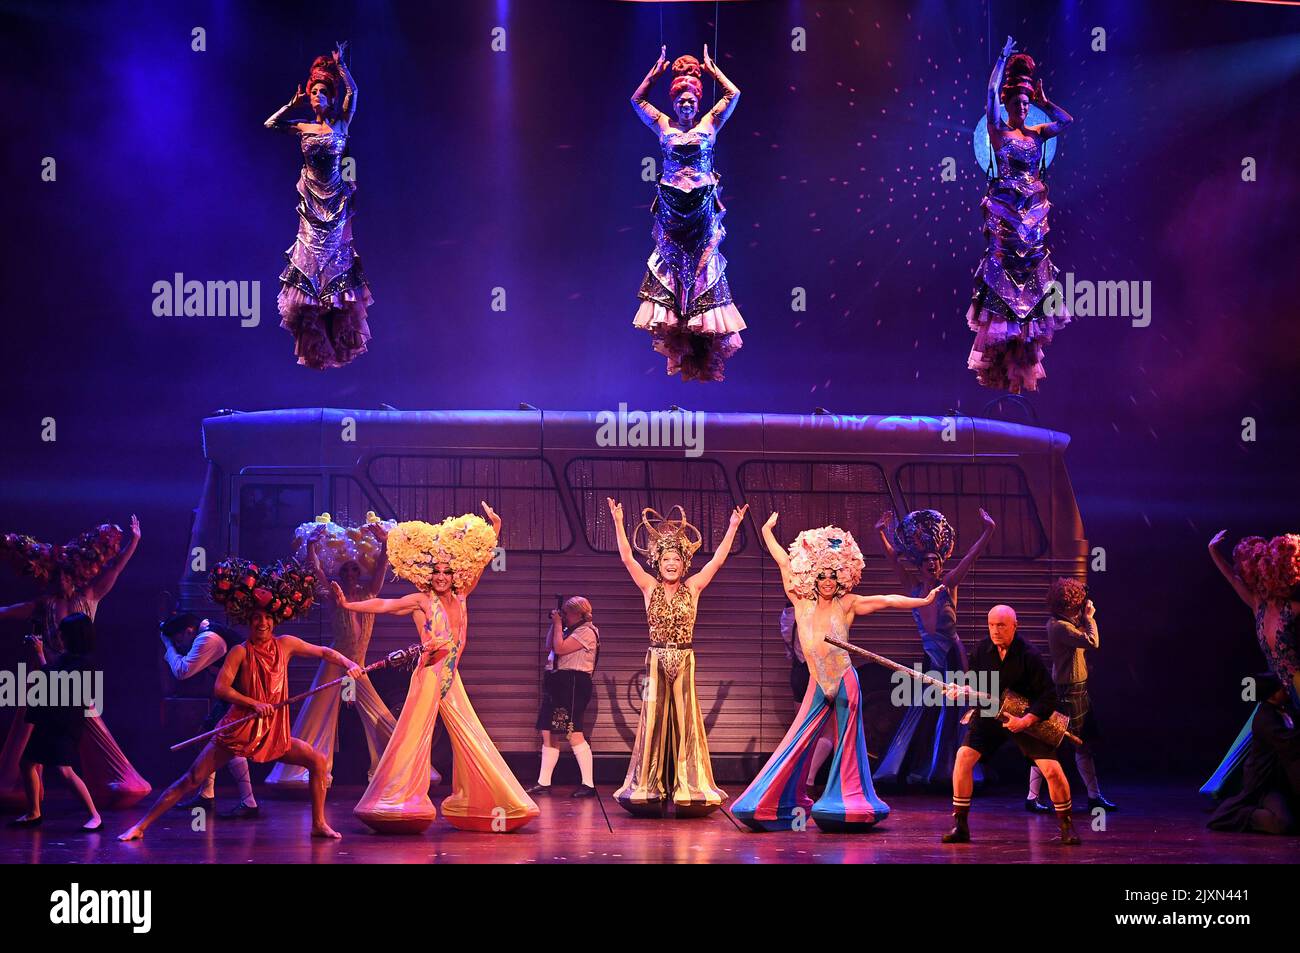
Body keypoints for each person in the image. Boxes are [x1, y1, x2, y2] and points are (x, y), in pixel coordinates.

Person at [119, 559, 364, 841]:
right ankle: (141, 826)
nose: (262, 623)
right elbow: (221, 690)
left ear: (274, 620)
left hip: (274, 731)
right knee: (192, 779)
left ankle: (318, 824)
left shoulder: (286, 645)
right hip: (239, 728)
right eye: (257, 618)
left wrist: (349, 663)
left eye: (267, 618)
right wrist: (252, 702)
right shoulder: (239, 651)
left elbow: (324, 652)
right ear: (249, 622)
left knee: (317, 761)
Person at [732, 516, 940, 832]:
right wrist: (765, 532)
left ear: (840, 577)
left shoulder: (848, 604)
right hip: (817, 680)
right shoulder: (800, 602)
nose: (828, 581)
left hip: (844, 679)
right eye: (822, 576)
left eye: (833, 576)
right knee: (798, 738)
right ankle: (776, 800)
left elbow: (885, 600)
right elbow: (782, 561)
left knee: (848, 741)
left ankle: (848, 800)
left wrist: (922, 600)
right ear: (814, 577)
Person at [344, 505, 539, 833]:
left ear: (454, 575)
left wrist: (496, 528)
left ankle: (493, 802)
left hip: (452, 677)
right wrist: (348, 604)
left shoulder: (462, 596)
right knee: (412, 737)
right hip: (430, 673)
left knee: (472, 736)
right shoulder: (423, 600)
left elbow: (482, 562)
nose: (441, 576)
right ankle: (393, 802)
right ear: (430, 575)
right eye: (436, 571)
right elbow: (385, 605)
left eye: (447, 572)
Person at [0, 518, 150, 810]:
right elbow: (6, 611)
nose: (62, 580)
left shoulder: (89, 597)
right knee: (28, 737)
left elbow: (115, 568)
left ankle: (115, 789)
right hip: (47, 679)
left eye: (66, 574)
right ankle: (25, 795)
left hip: (73, 680)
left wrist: (134, 541)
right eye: (57, 575)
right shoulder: (45, 604)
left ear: (76, 574)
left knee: (78, 732)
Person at [607, 499, 745, 816]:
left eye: (676, 559)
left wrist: (733, 527)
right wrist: (617, 521)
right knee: (651, 719)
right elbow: (628, 558)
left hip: (684, 658)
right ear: (659, 562)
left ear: (683, 564)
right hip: (654, 659)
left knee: (688, 721)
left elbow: (717, 563)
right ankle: (645, 786)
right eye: (666, 559)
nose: (671, 563)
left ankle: (692, 787)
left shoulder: (693, 588)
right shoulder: (649, 587)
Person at [631, 45, 746, 381]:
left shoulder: (711, 124)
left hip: (702, 211)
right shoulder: (662, 124)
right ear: (674, 103)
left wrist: (712, 70)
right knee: (671, 267)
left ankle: (702, 345)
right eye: (680, 101)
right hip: (671, 210)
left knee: (701, 270)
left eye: (691, 101)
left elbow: (733, 93)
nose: (685, 106)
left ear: (698, 103)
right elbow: (637, 102)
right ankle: (676, 340)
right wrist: (653, 76)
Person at [966, 37, 1074, 392]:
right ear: (1009, 105)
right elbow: (990, 94)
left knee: (1033, 285)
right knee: (1002, 284)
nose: (1025, 109)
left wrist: (1045, 101)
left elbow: (1066, 120)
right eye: (1021, 103)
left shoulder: (1038, 134)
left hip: (1033, 222)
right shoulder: (999, 132)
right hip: (1007, 219)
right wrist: (1001, 58)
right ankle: (999, 359)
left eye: (1028, 104)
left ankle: (1023, 352)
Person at [266, 514, 400, 792]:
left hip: (357, 665)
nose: (350, 575)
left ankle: (396, 767)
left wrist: (385, 545)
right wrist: (312, 547)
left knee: (379, 714)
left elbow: (381, 570)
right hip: (335, 661)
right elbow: (316, 571)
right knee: (319, 712)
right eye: (345, 571)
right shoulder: (333, 593)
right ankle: (305, 771)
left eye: (354, 570)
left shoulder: (368, 595)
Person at [265, 42, 372, 369]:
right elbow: (270, 125)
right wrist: (290, 104)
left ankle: (338, 325)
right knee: (309, 265)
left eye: (323, 92)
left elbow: (354, 91)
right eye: (314, 93)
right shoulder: (304, 127)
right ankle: (314, 330)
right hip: (311, 205)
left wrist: (341, 67)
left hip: (336, 204)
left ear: (331, 96)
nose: (317, 97)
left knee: (334, 264)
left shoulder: (341, 124)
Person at [875, 508, 995, 787]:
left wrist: (988, 531)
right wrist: (880, 531)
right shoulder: (914, 589)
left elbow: (969, 558)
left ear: (941, 564)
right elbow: (893, 559)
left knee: (953, 710)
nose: (932, 564)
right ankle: (915, 769)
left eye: (936, 560)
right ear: (919, 566)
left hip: (952, 657)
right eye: (927, 560)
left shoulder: (948, 585)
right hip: (930, 656)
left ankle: (951, 771)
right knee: (923, 707)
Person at [943, 605, 1081, 846]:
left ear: (1014, 626)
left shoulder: (1029, 655)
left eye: (1001, 625)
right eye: (991, 625)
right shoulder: (982, 652)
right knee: (963, 756)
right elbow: (976, 688)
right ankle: (961, 825)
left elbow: (1048, 696)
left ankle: (1067, 826)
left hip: (1026, 716)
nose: (995, 630)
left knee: (1051, 770)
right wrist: (963, 690)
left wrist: (1026, 720)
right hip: (991, 715)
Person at [1027, 578, 1117, 813]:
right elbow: (1092, 641)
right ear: (1069, 604)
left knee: (1079, 745)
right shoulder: (1060, 627)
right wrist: (1089, 618)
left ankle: (1093, 796)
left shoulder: (1062, 622)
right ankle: (1033, 797)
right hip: (1068, 692)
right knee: (1050, 743)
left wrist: (1082, 618)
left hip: (1076, 691)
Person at [8, 614, 102, 831]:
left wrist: (40, 654)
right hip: (50, 719)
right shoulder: (67, 657)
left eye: (64, 633)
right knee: (27, 763)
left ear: (74, 636)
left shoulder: (84, 663)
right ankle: (34, 812)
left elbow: (54, 681)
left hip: (64, 722)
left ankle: (95, 816)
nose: (60, 636)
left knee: (64, 770)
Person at [158, 612, 258, 817]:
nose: (181, 646)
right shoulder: (204, 631)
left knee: (229, 744)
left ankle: (249, 803)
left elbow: (183, 671)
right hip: (232, 692)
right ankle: (206, 795)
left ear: (188, 631)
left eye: (179, 640)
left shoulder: (208, 639)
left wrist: (168, 646)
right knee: (206, 741)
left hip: (242, 693)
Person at [1208, 673, 1299, 835]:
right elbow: (1289, 743)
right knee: (1283, 823)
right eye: (1281, 688)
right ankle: (1244, 814)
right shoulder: (1265, 718)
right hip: (1265, 785)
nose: (1286, 690)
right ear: (1272, 695)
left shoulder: (1287, 710)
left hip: (1283, 782)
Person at [529, 596, 600, 798]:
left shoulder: (586, 631)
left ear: (578, 613)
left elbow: (560, 648)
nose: (564, 617)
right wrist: (556, 624)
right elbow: (549, 646)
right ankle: (544, 782)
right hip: (558, 683)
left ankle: (588, 784)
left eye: (567, 613)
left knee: (573, 731)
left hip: (573, 684)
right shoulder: (569, 630)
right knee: (548, 731)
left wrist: (558, 623)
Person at [778, 602, 833, 798]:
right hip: (814, 673)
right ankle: (807, 780)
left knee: (803, 728)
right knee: (828, 732)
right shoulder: (810, 615)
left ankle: (798, 778)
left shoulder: (786, 615)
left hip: (798, 672)